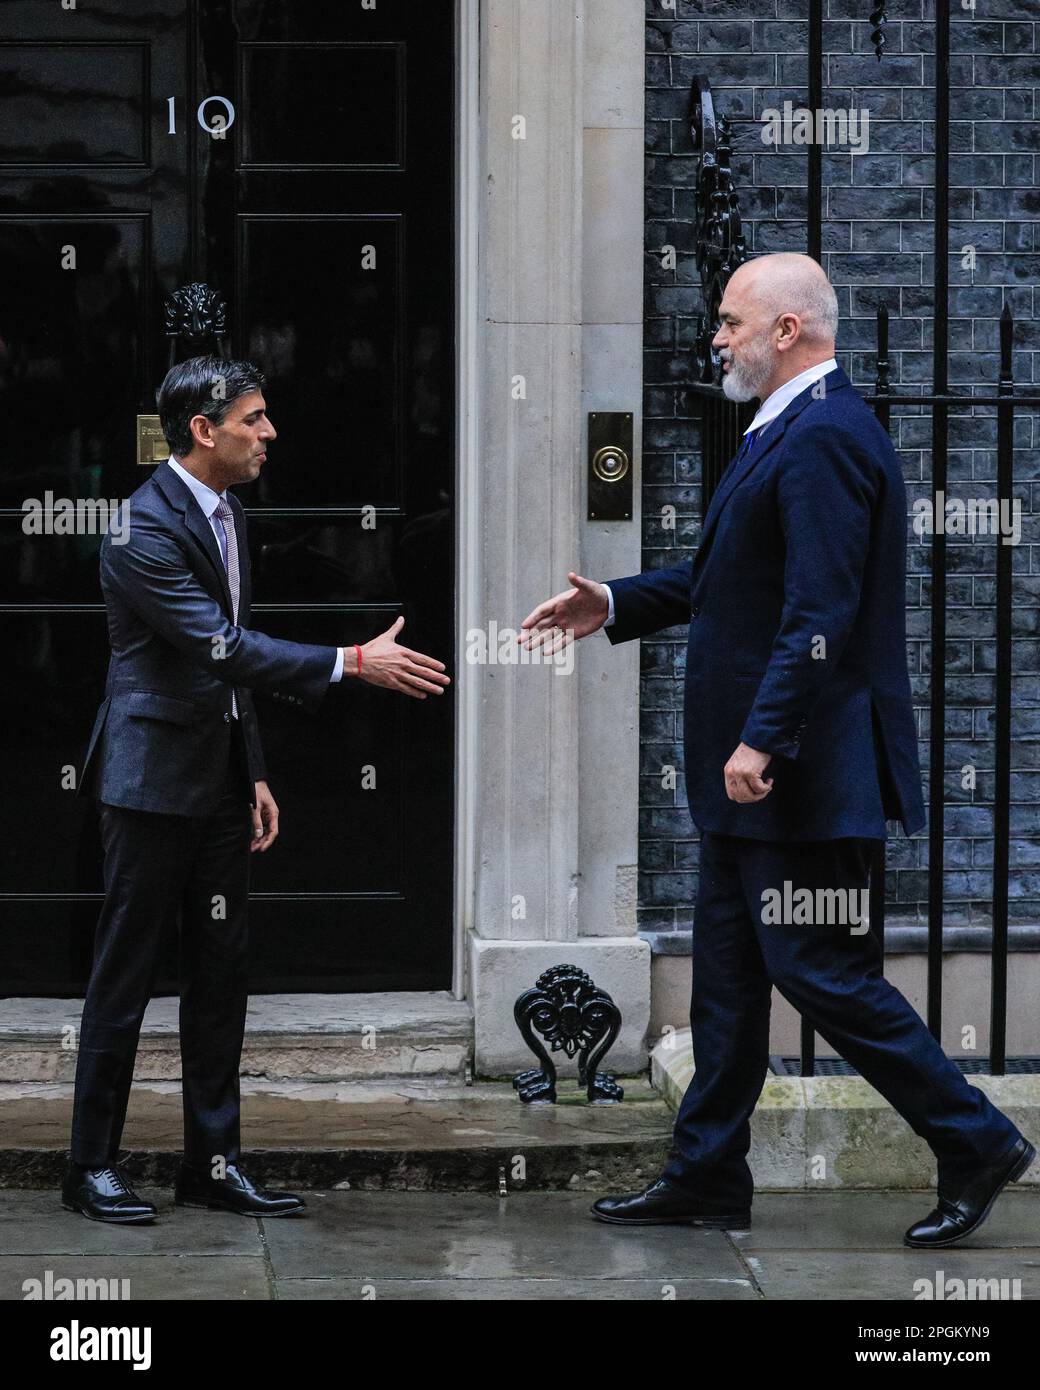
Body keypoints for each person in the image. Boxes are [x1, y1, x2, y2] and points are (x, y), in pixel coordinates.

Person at [520, 253, 1033, 1249]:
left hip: (798, 771)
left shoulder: (825, 435)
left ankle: (973, 1138)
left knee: (821, 970)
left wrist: (763, 734)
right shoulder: (783, 428)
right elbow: (734, 580)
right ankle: (706, 1170)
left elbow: (819, 607)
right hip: (750, 781)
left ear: (786, 330)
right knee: (724, 975)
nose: (715, 337)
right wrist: (617, 601)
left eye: (729, 322)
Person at [63, 356, 450, 1223]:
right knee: (123, 978)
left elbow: (232, 661)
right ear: (204, 431)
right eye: (254, 419)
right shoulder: (140, 530)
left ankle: (213, 1163)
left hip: (220, 783)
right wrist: (352, 662)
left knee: (221, 973)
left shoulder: (231, 513)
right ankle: (90, 1167)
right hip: (149, 785)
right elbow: (219, 647)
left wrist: (257, 770)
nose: (269, 433)